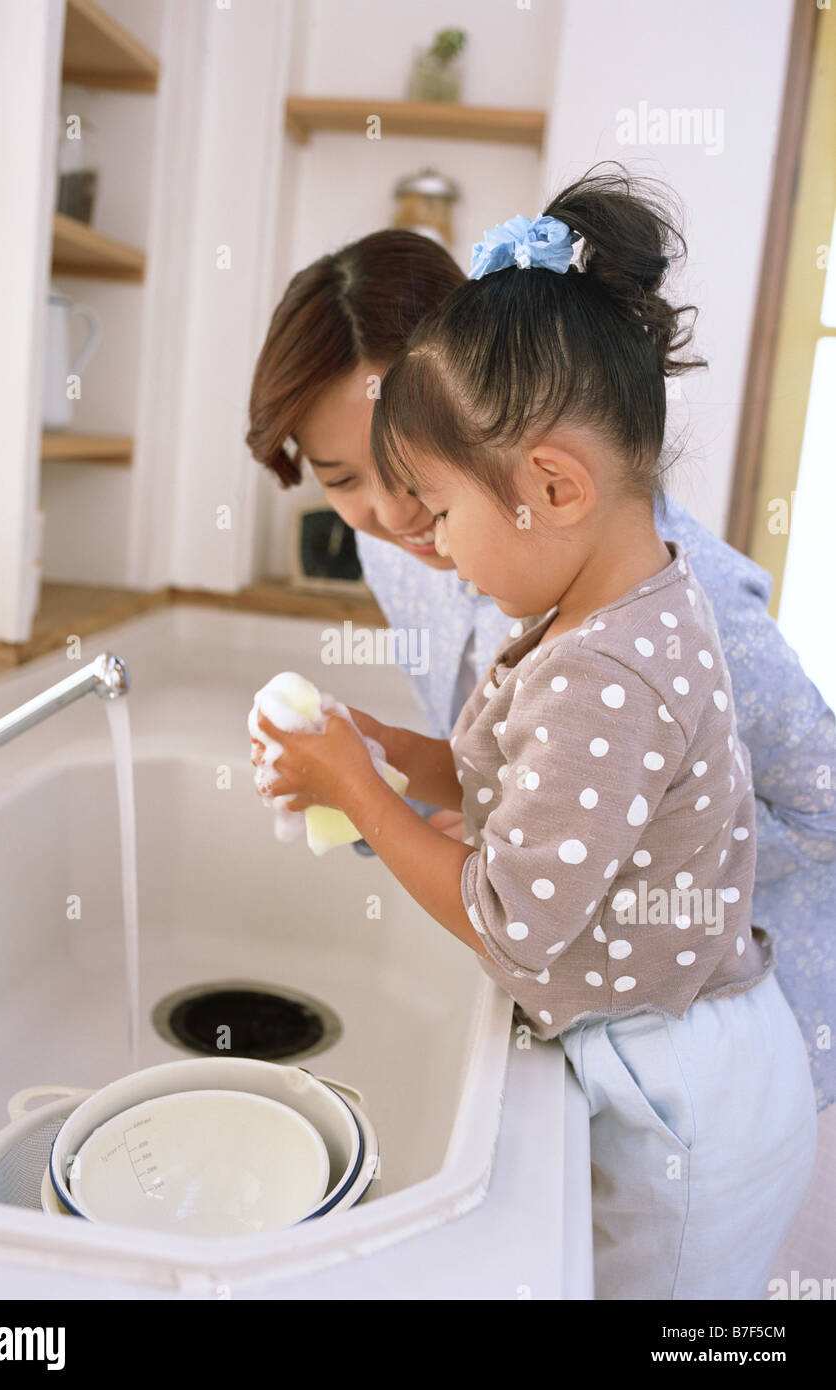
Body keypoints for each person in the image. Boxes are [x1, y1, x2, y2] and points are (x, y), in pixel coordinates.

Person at [248, 169, 820, 1300]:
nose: (404, 524)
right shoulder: (595, 597)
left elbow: (518, 916)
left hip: (688, 1065)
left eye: (428, 493)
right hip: (652, 1038)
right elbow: (507, 753)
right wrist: (387, 755)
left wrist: (366, 798)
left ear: (543, 474)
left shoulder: (618, 648)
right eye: (350, 483)